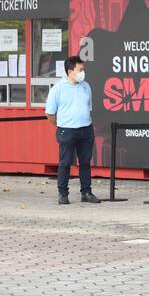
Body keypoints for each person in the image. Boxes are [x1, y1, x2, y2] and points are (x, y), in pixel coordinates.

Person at [46, 55, 98, 204]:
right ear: (70, 71)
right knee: (65, 163)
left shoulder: (86, 86)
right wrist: (62, 125)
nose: (83, 72)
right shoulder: (58, 89)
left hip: (86, 130)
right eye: (80, 69)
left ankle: (86, 192)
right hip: (67, 131)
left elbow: (89, 108)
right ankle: (63, 194)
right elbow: (49, 114)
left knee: (85, 162)